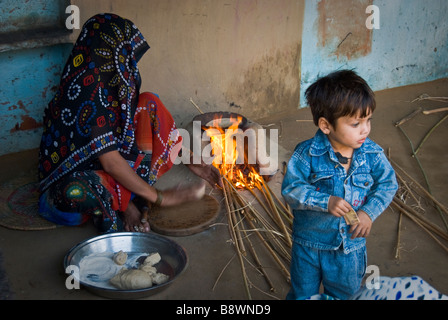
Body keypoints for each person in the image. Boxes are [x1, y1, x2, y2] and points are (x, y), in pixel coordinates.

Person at [38, 13, 222, 234]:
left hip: (109, 165)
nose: (129, 62)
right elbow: (111, 164)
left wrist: (189, 157)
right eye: (125, 54)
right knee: (75, 191)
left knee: (148, 103)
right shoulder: (88, 91)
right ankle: (124, 204)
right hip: (76, 179)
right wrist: (161, 198)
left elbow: (134, 129)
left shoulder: (111, 85)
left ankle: (128, 197)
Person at [281, 70, 398, 300]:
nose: (365, 129)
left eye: (368, 120)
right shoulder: (306, 154)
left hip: (350, 248)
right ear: (326, 126)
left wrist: (368, 213)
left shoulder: (371, 154)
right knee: (302, 295)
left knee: (345, 296)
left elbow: (388, 184)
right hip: (308, 246)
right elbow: (291, 190)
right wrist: (325, 201)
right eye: (356, 123)